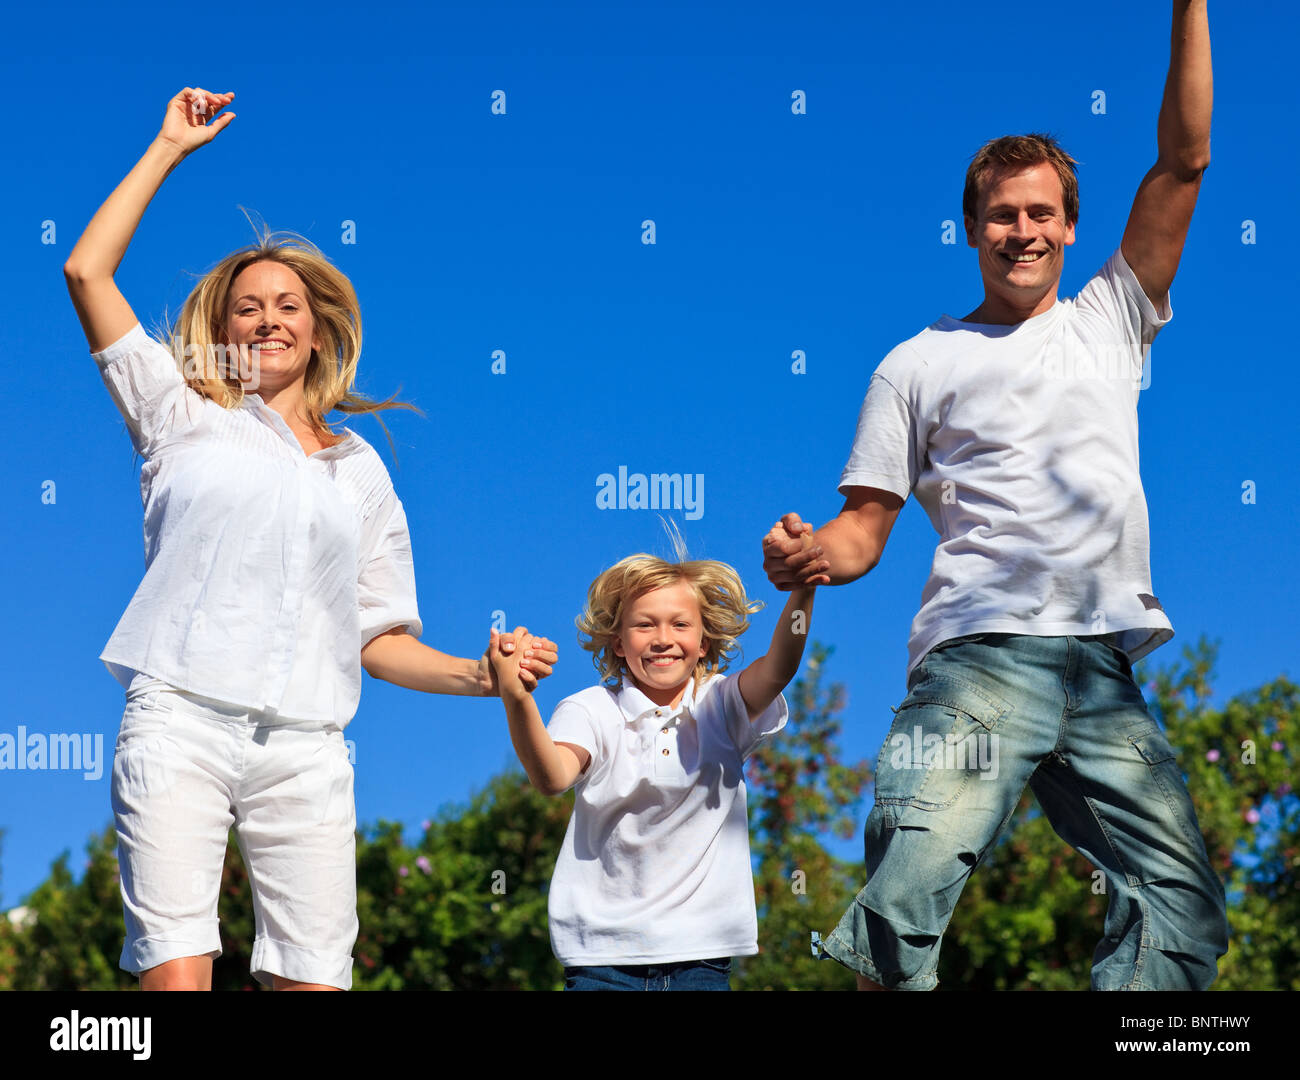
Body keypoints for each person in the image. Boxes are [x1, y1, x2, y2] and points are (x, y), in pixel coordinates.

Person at [763, 1, 1228, 990]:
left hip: (1101, 671)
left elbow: (1183, 162)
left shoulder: (1110, 318)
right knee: (907, 890)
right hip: (978, 660)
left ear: (1070, 227)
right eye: (1004, 215)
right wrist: (809, 557)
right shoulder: (916, 363)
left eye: (1041, 214)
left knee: (1180, 909)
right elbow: (862, 530)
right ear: (972, 228)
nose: (1024, 231)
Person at [64, 87, 557, 991]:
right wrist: (168, 148)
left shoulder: (360, 469)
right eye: (247, 308)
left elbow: (378, 637)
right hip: (178, 717)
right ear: (221, 331)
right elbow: (87, 273)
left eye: (288, 306)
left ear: (318, 330)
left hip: (307, 746)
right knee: (176, 972)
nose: (268, 320)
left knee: (315, 980)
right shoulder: (179, 412)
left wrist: (483, 675)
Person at [487, 541, 817, 990]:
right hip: (601, 958)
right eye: (644, 625)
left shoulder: (721, 704)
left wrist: (803, 590)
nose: (663, 638)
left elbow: (778, 670)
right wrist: (517, 696)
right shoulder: (591, 709)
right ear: (618, 643)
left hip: (702, 956)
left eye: (680, 624)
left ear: (703, 642)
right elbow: (552, 776)